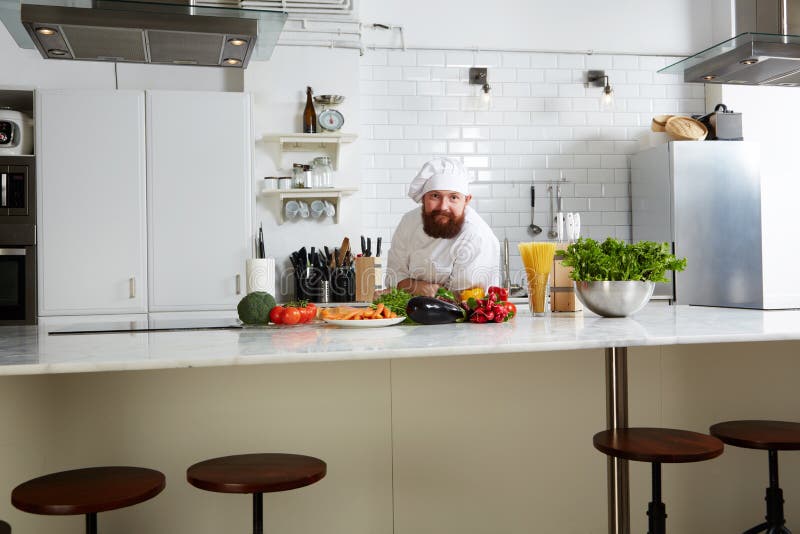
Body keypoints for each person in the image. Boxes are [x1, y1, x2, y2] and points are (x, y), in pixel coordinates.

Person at [384, 157, 500, 298]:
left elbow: (463, 300)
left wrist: (411, 287)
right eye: (435, 196)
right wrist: (419, 288)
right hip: (410, 314)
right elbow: (393, 277)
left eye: (453, 197)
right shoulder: (409, 222)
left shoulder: (476, 235)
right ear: (423, 198)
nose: (443, 207)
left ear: (466, 201)